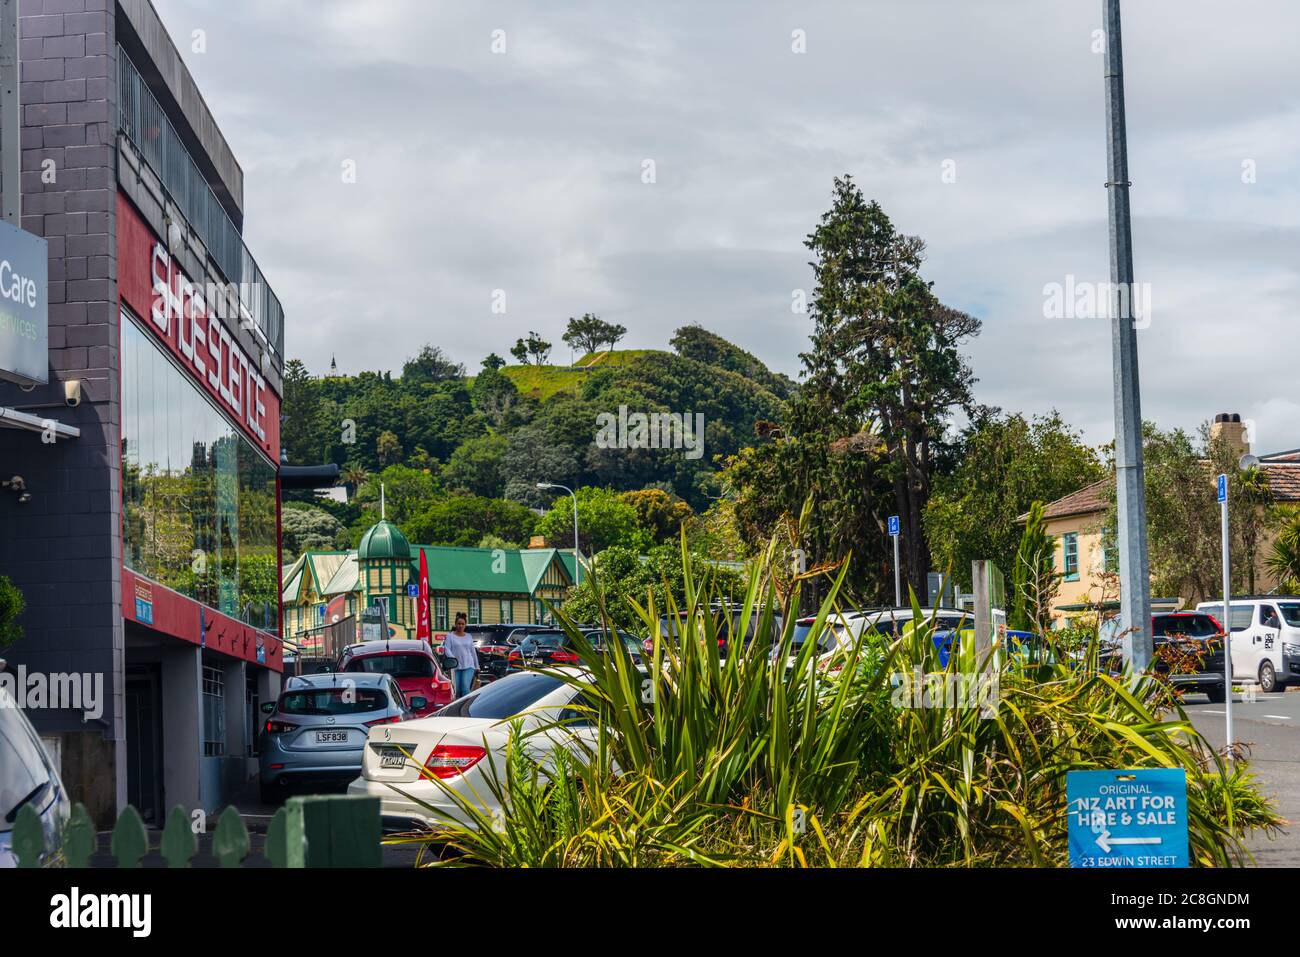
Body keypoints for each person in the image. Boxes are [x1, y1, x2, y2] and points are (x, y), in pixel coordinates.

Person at [443, 612, 479, 699]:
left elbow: (473, 652)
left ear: (465, 625)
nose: (460, 626)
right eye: (459, 624)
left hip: (468, 665)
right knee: (457, 689)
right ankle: (457, 706)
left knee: (465, 687)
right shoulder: (450, 636)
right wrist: (453, 659)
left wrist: (477, 665)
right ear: (455, 624)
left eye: (463, 624)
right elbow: (447, 649)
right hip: (455, 667)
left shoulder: (468, 636)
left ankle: (466, 707)